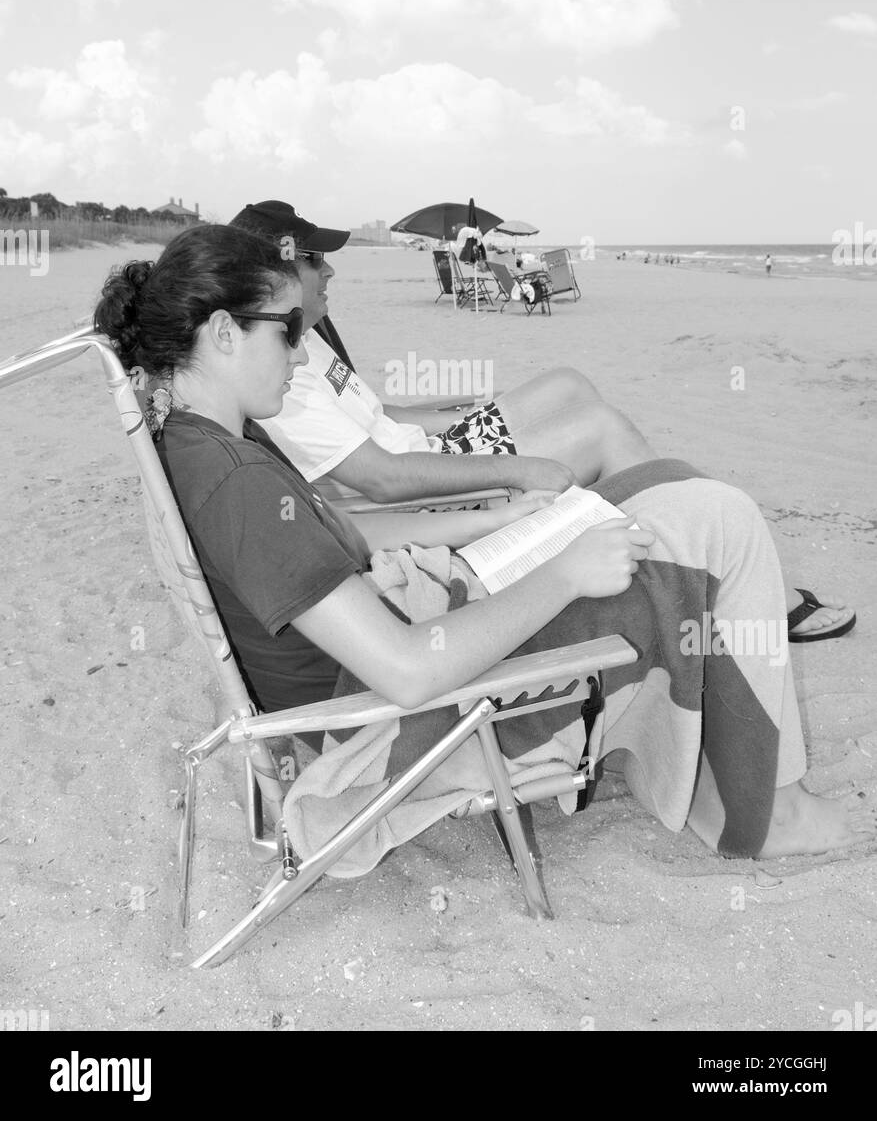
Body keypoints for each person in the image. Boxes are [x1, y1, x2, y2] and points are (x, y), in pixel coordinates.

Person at [92, 224, 875, 861]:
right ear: (223, 333)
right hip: (390, 705)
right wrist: (564, 573)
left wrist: (494, 519)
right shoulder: (235, 480)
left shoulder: (204, 443)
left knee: (653, 482)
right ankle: (766, 811)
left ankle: (703, 770)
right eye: (287, 331)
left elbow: (346, 533)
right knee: (719, 517)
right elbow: (403, 672)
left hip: (410, 616)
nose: (302, 352)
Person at [227, 201, 856, 645]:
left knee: (567, 384)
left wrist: (465, 407)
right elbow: (383, 482)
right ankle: (708, 583)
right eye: (318, 262)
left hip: (430, 448)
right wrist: (518, 466)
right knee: (601, 427)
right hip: (425, 488)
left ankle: (660, 541)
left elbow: (376, 414)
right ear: (278, 270)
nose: (330, 271)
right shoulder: (281, 372)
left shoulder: (303, 343)